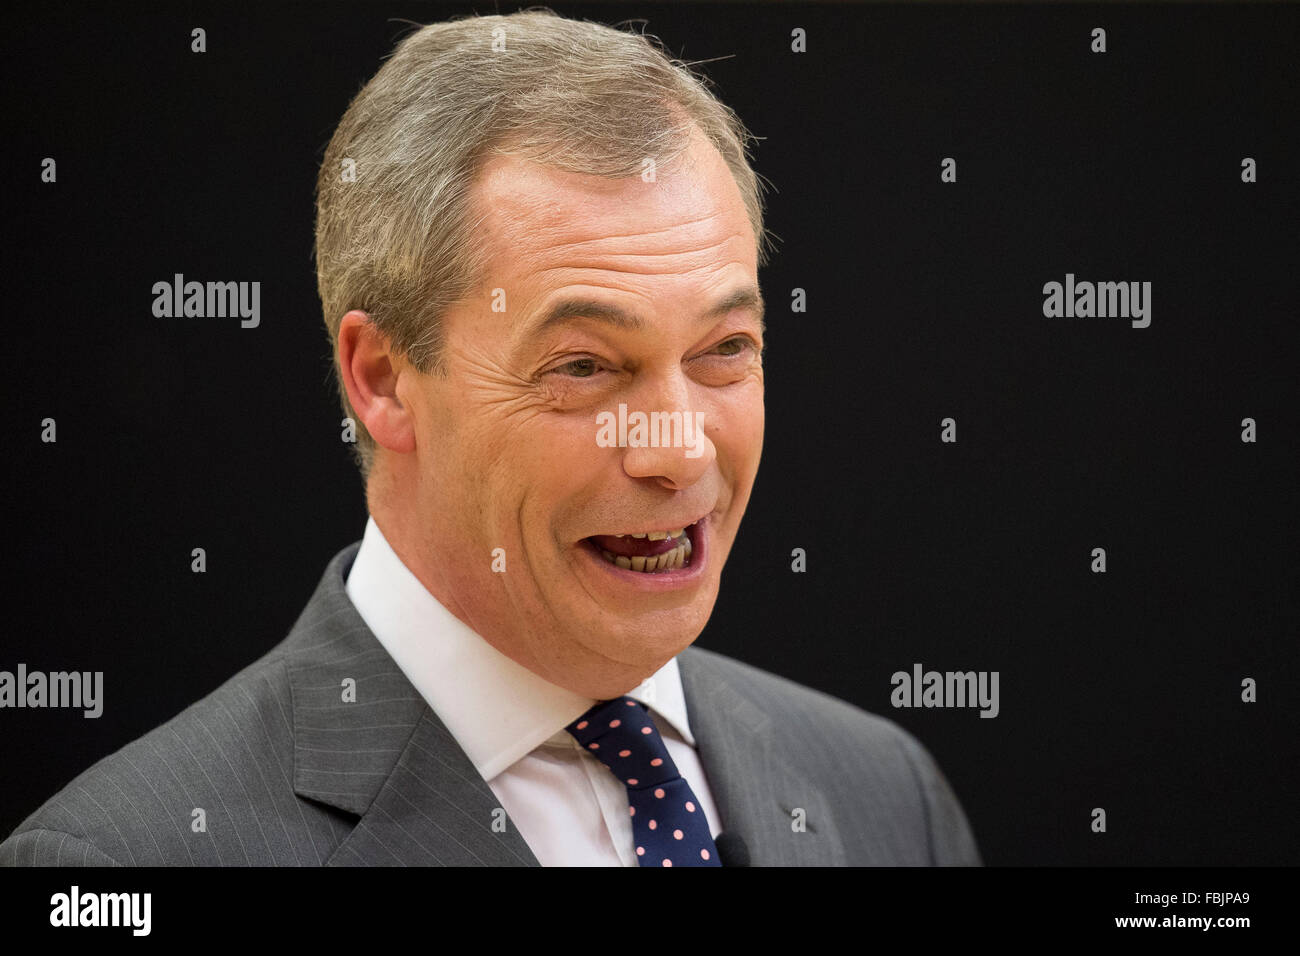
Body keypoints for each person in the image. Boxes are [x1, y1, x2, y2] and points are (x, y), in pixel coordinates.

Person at [0, 9, 980, 867]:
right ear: (383, 379)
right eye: (586, 365)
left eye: (724, 348)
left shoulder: (887, 795)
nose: (678, 449)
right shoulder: (121, 860)